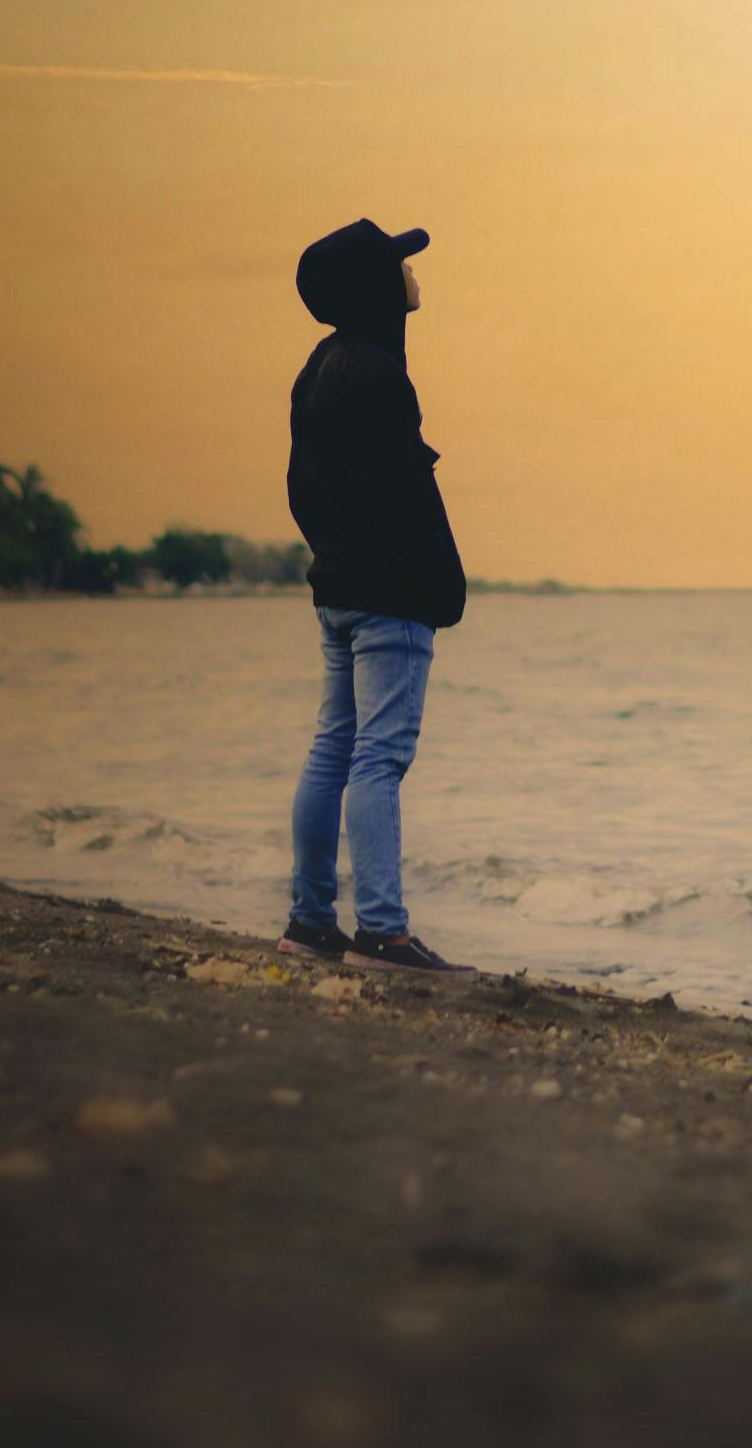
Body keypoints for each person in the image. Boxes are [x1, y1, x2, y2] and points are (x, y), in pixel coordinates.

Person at [280, 217, 474, 974]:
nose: (412, 273)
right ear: (375, 287)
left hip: (338, 591)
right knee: (379, 758)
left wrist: (334, 556)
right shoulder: (380, 374)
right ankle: (383, 933)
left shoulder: (319, 367)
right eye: (400, 264)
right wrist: (437, 585)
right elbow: (409, 497)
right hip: (388, 596)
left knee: (335, 747)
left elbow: (301, 491)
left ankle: (308, 921)